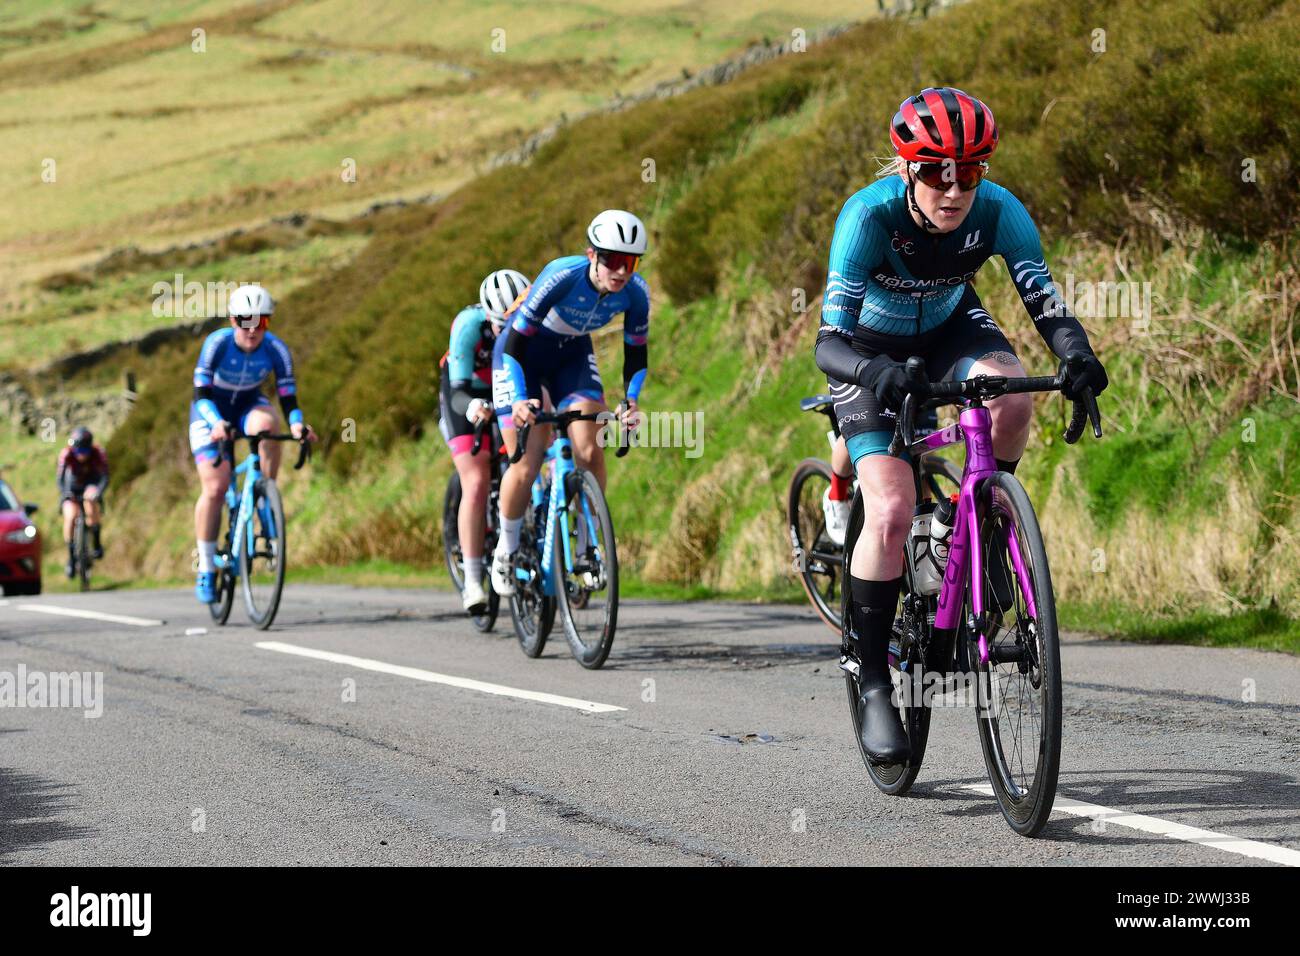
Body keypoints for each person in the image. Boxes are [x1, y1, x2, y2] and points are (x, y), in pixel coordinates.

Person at [816, 88, 1109, 764]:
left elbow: (1045, 300)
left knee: (1012, 400)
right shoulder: (868, 217)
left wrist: (1077, 356)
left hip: (950, 325)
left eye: (969, 172)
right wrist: (873, 374)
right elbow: (827, 343)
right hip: (868, 354)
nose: (953, 190)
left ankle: (982, 523)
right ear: (905, 169)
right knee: (889, 512)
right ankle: (874, 680)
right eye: (935, 172)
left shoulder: (1001, 211)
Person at [488, 209, 648, 596]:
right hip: (520, 354)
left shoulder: (635, 294)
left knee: (590, 449)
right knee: (525, 464)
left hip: (571, 354)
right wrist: (522, 398)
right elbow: (513, 342)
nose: (622, 271)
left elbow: (636, 356)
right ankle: (506, 550)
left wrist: (630, 401)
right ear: (592, 255)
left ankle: (587, 543)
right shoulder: (561, 275)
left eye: (631, 262)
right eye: (613, 260)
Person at [190, 284, 317, 603]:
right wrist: (216, 422)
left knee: (268, 424)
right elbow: (201, 394)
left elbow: (288, 397)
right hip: (211, 410)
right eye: (245, 320)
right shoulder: (216, 344)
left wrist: (298, 424)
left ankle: (264, 492)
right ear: (233, 321)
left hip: (248, 404)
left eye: (260, 321)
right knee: (216, 489)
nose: (252, 329)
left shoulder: (276, 349)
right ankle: (206, 565)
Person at [438, 268, 531, 613]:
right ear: (488, 317)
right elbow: (458, 390)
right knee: (476, 481)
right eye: (500, 326)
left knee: (526, 462)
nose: (507, 332)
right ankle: (473, 581)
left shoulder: (531, 322)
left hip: (508, 390)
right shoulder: (468, 326)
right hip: (467, 396)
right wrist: (474, 405)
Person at [57, 426, 109, 575]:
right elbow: (59, 479)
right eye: (77, 452)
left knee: (90, 503)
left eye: (84, 452)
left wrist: (99, 491)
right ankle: (71, 556)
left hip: (90, 484)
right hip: (71, 487)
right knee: (71, 517)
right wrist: (64, 493)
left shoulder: (99, 452)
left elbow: (105, 476)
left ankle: (97, 544)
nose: (81, 456)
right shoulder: (66, 453)